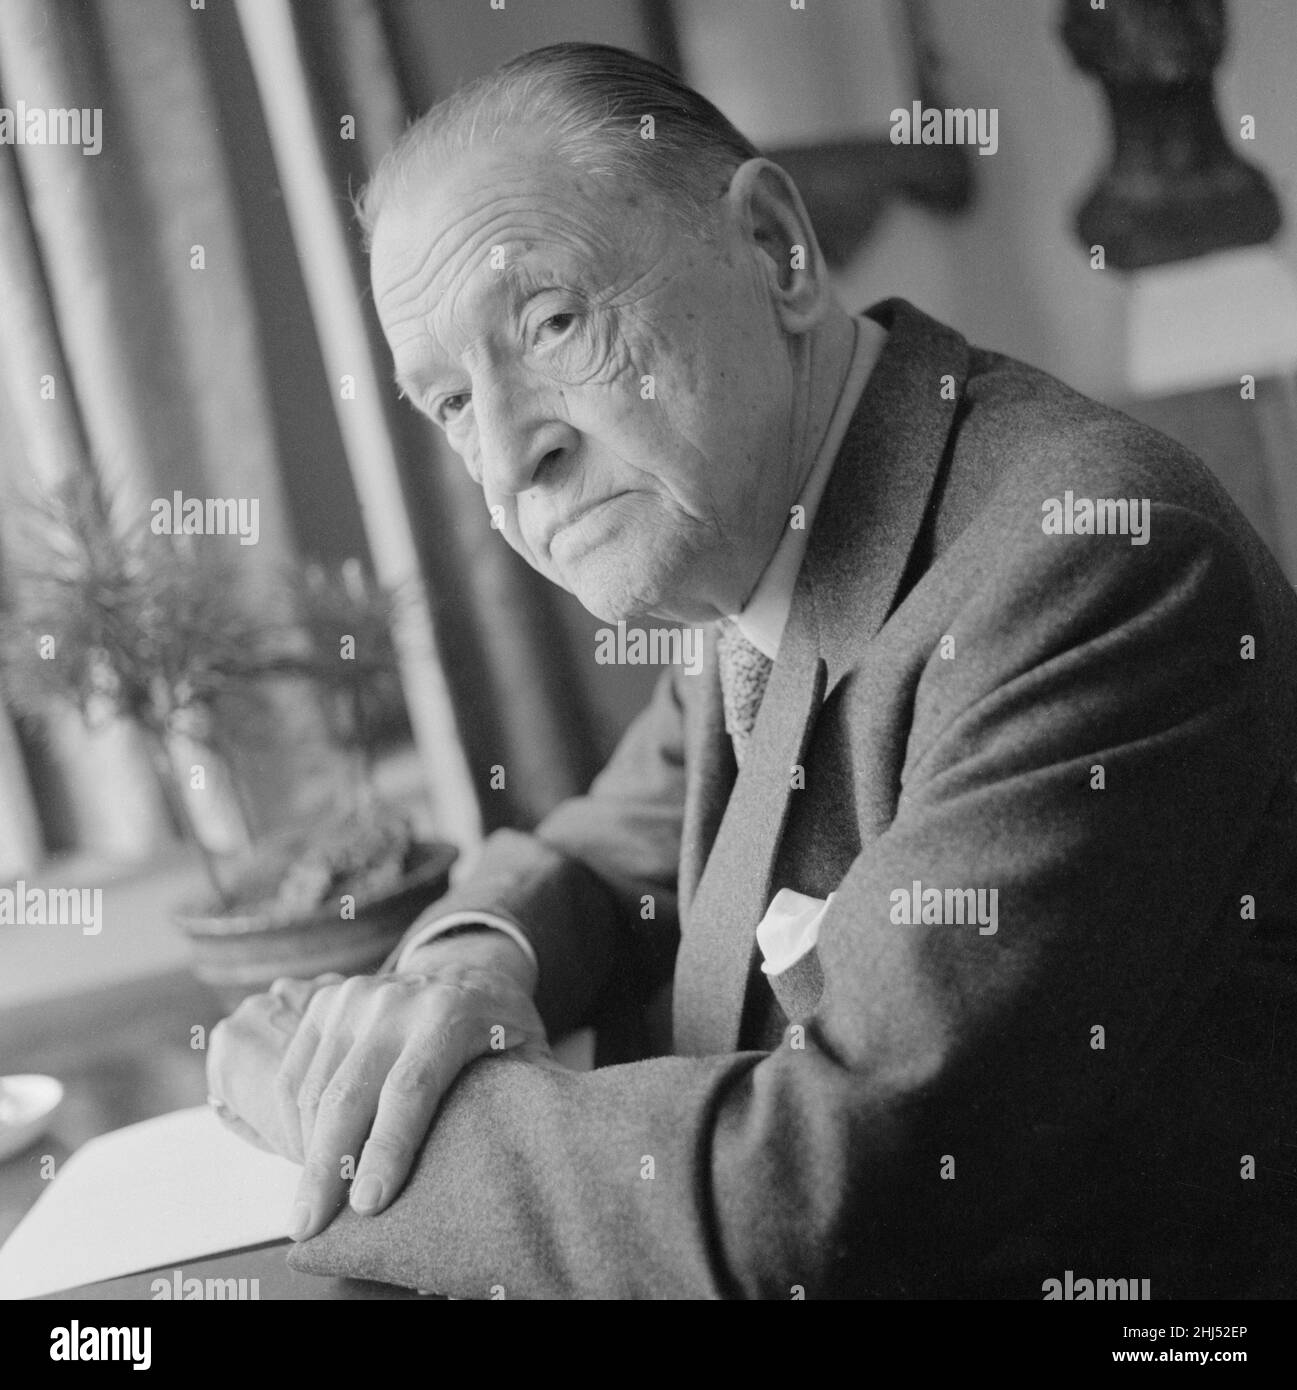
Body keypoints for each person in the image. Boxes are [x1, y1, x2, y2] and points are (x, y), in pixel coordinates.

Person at [207, 42, 1297, 1299]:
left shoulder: (1093, 561)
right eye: (450, 402)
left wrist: (346, 1124)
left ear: (777, 249)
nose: (511, 458)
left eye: (551, 322)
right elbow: (592, 855)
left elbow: (815, 1194)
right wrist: (462, 966)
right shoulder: (757, 559)